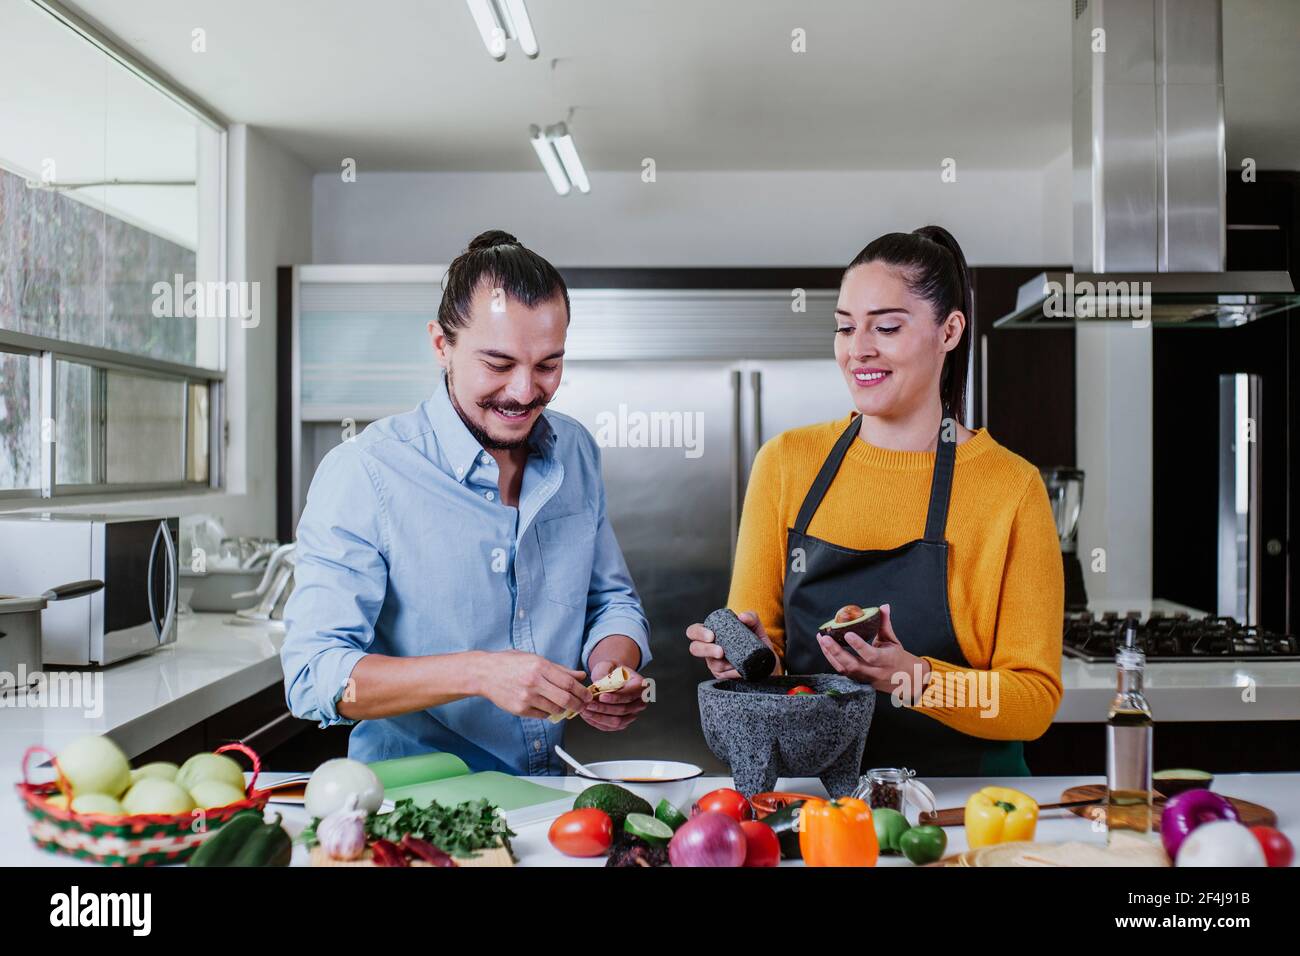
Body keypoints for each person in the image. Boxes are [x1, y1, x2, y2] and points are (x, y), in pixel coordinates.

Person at [686, 226, 1063, 776]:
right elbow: (766, 676)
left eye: (886, 327)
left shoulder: (1011, 488)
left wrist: (910, 678)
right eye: (845, 327)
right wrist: (743, 659)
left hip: (964, 805)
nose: (858, 348)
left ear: (950, 330)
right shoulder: (786, 464)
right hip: (814, 802)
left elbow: (1033, 704)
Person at [282, 229, 651, 775]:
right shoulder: (365, 472)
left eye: (548, 365)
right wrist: (479, 672)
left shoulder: (574, 450)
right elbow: (314, 675)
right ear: (441, 345)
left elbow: (611, 599)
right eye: (498, 365)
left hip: (544, 794)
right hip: (413, 803)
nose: (525, 392)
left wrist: (610, 667)